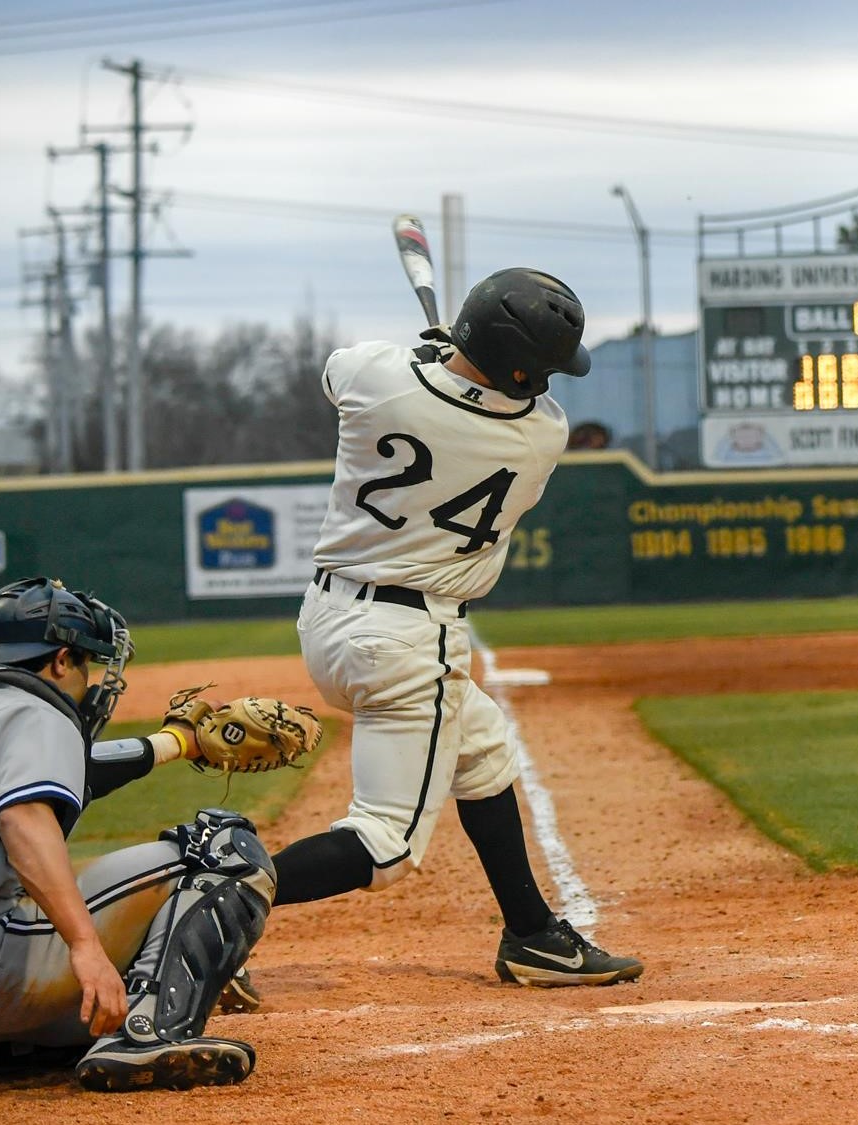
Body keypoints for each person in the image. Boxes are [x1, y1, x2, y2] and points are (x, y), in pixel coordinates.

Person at [266, 268, 641, 987]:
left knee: (484, 749)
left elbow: (339, 372)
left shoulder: (375, 378)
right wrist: (460, 375)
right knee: (386, 843)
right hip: (409, 640)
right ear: (519, 368)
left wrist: (438, 365)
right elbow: (489, 402)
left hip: (331, 616)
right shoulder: (541, 437)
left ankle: (532, 932)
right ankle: (208, 903)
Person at [0, 578, 277, 1091]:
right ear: (60, 661)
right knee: (221, 848)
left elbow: (75, 770)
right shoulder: (32, 709)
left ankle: (9, 1047)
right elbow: (23, 818)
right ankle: (150, 1034)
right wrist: (86, 946)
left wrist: (176, 743)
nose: (92, 679)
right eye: (87, 663)